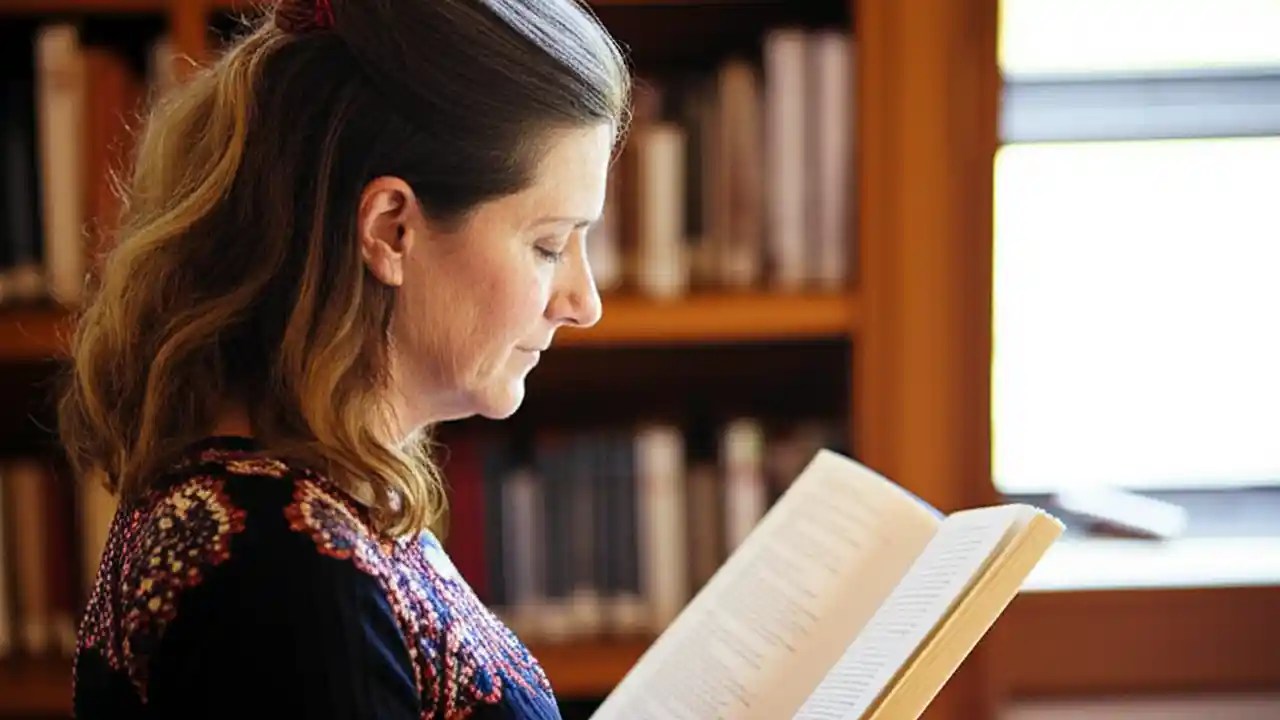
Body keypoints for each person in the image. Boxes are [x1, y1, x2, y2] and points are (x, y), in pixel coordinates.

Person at [59, 0, 630, 717]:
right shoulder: (287, 579)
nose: (584, 303)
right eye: (549, 245)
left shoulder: (310, 499)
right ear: (391, 230)